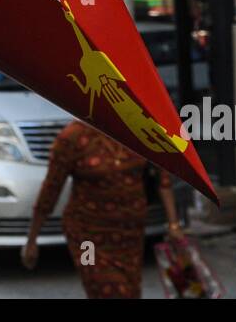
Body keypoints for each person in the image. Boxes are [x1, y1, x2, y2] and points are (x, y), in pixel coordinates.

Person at [22, 121, 183, 299]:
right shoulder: (72, 137)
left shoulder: (141, 128)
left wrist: (173, 224)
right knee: (100, 285)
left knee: (130, 293)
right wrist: (32, 240)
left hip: (130, 238)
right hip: (85, 238)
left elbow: (164, 179)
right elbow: (50, 190)